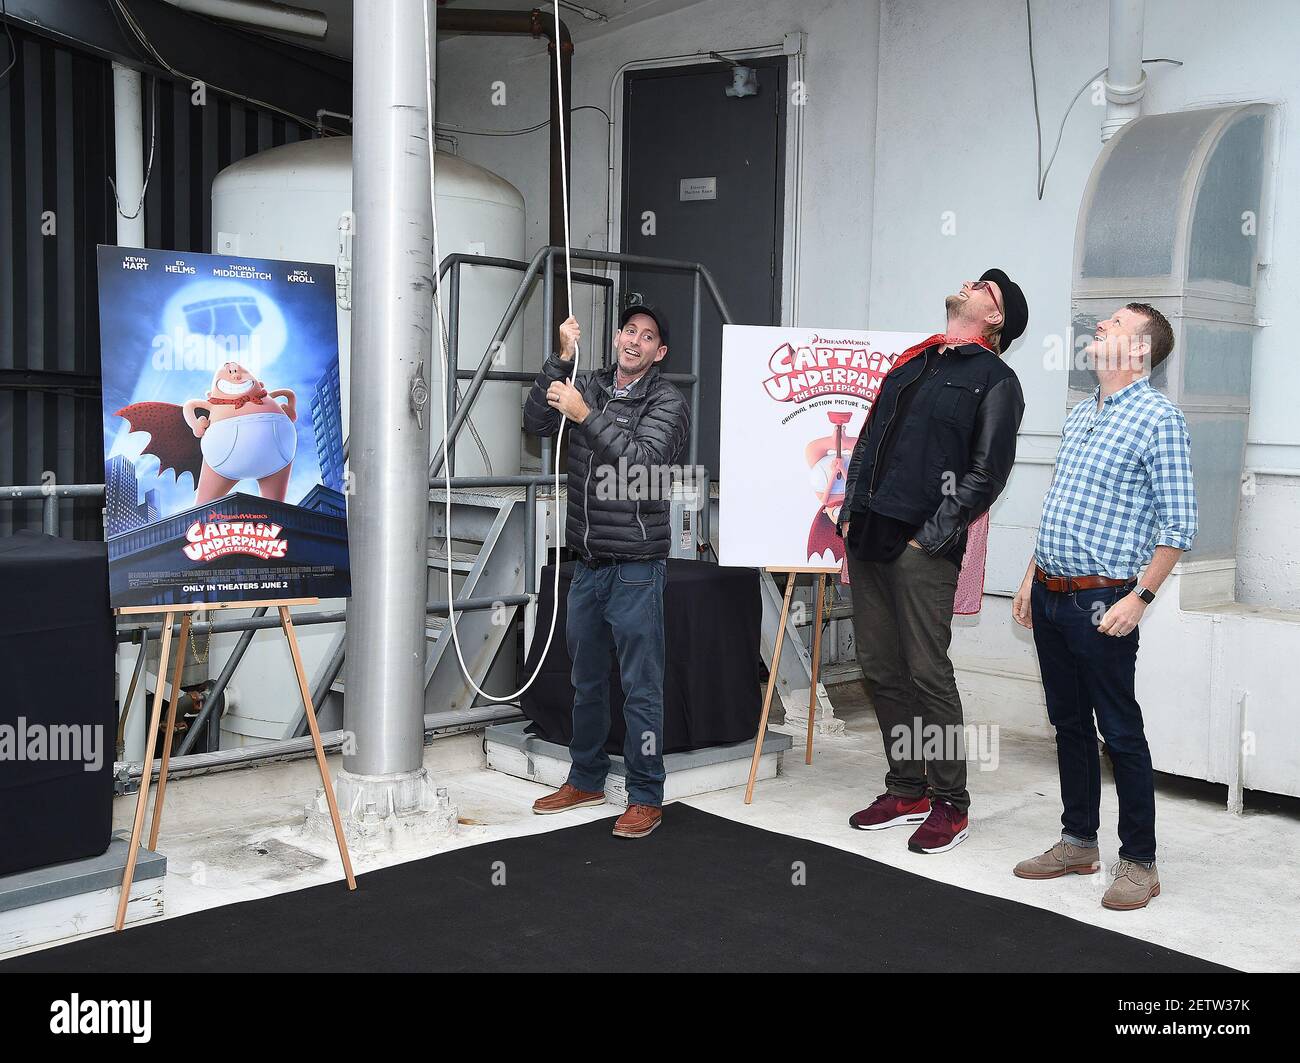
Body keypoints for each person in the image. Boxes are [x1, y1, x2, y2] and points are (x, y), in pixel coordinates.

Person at [1011, 303, 1196, 910]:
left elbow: (1179, 524)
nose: (1100, 329)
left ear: (1140, 350)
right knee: (1067, 723)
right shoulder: (1081, 415)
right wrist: (1030, 578)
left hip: (1105, 600)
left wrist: (1140, 598)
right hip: (1051, 594)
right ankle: (1077, 842)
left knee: (1119, 730)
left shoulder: (1158, 419)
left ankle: (1139, 862)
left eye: (1115, 326)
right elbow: (1060, 505)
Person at [840, 270, 1028, 853]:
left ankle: (951, 803)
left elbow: (987, 474)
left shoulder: (997, 379)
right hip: (869, 533)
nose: (970, 284)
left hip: (923, 546)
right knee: (881, 669)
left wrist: (932, 535)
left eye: (986, 288)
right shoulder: (911, 363)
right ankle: (907, 787)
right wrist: (850, 509)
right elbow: (869, 440)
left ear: (995, 319)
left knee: (927, 673)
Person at [522, 302, 689, 838]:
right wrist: (560, 360)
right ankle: (587, 777)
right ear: (617, 336)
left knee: (641, 687)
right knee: (586, 680)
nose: (634, 341)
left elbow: (643, 463)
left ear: (659, 352)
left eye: (647, 336)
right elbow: (535, 421)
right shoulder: (586, 383)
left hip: (637, 566)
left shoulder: (667, 400)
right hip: (587, 564)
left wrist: (585, 416)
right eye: (629, 330)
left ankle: (646, 795)